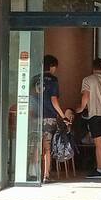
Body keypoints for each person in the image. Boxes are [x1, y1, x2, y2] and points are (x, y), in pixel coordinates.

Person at [79, 57, 101, 178]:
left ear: (93, 68)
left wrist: (81, 108)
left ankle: (99, 171)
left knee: (98, 144)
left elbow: (86, 95)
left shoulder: (88, 80)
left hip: (95, 114)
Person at [39, 54, 68, 182]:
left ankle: (33, 174)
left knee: (35, 146)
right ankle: (46, 175)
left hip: (34, 116)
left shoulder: (34, 79)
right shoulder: (53, 80)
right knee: (47, 147)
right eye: (55, 67)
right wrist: (63, 116)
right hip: (49, 117)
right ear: (51, 66)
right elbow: (54, 100)